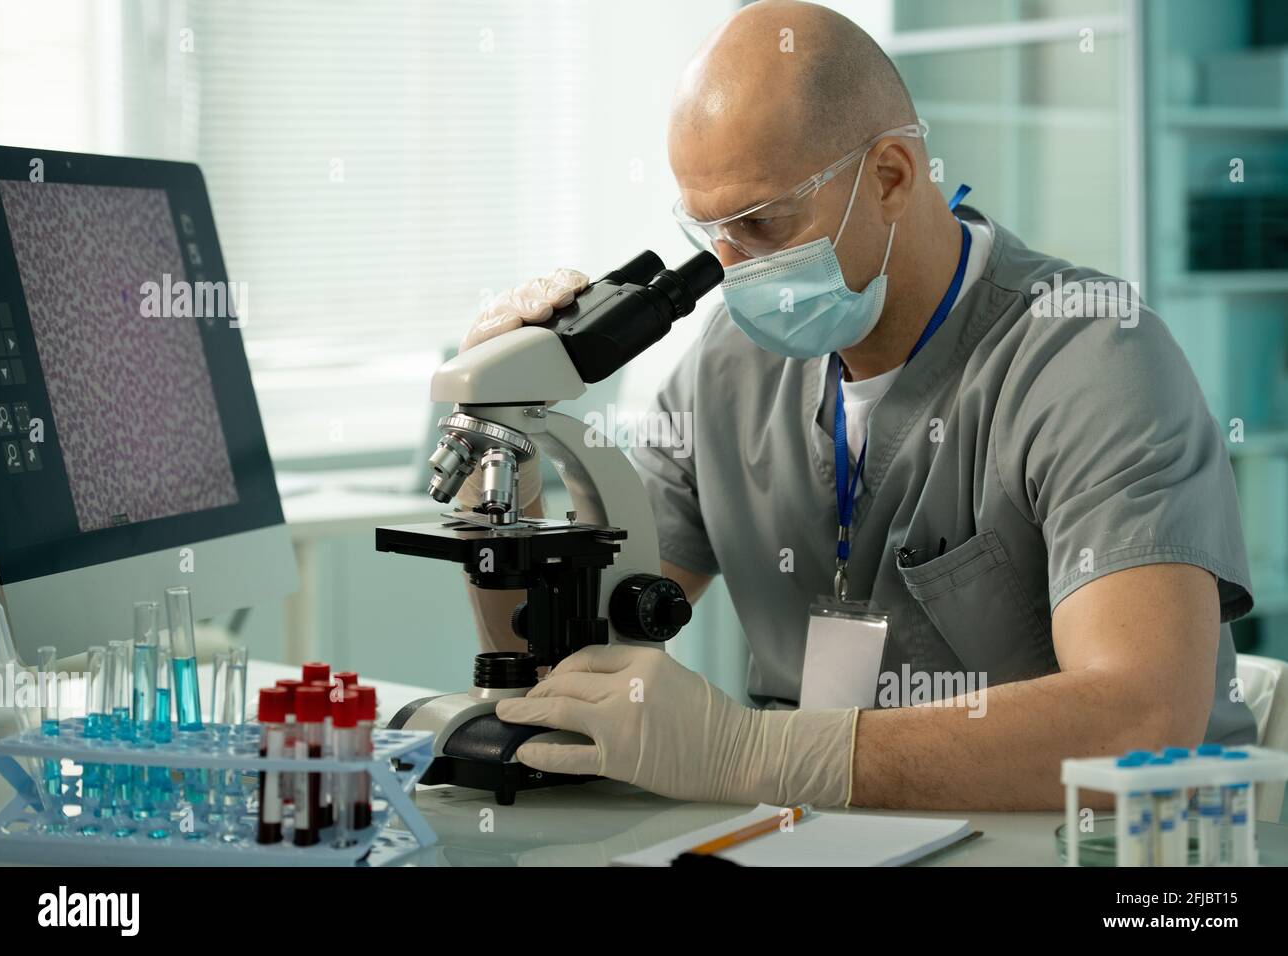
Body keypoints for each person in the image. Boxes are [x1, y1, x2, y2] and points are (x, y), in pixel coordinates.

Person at [457, 0, 1255, 810]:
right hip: (829, 838)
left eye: (761, 223)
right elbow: (566, 664)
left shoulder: (1091, 357)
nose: (733, 272)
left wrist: (747, 753)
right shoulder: (727, 369)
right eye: (710, 235)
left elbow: (1143, 720)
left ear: (892, 177)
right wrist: (501, 452)